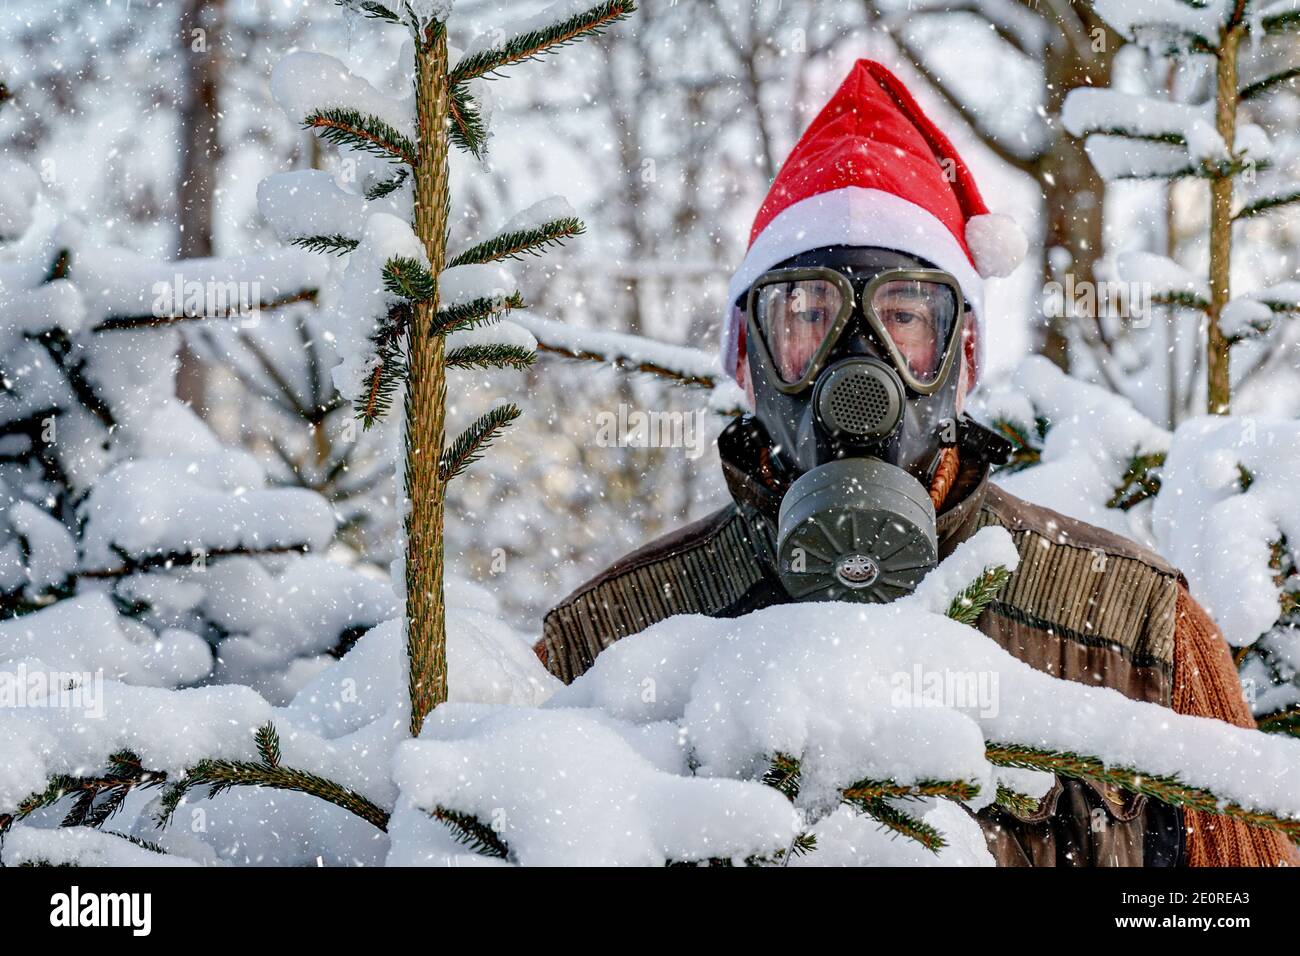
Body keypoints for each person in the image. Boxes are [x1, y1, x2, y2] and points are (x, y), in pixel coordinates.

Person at [535, 59, 1294, 867]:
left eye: (903, 314)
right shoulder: (610, 638)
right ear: (750, 358)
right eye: (808, 313)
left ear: (961, 357)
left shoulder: (1136, 629)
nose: (859, 370)